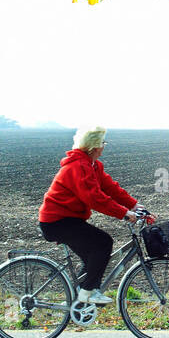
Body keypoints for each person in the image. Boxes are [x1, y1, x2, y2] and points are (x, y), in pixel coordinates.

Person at [38, 126, 146, 305]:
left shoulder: (92, 165)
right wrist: (124, 213)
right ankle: (88, 293)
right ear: (95, 147)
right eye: (103, 143)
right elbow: (94, 198)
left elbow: (111, 188)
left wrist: (134, 204)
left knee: (92, 260)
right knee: (103, 243)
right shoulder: (78, 167)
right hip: (57, 222)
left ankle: (77, 300)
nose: (104, 146)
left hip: (68, 220)